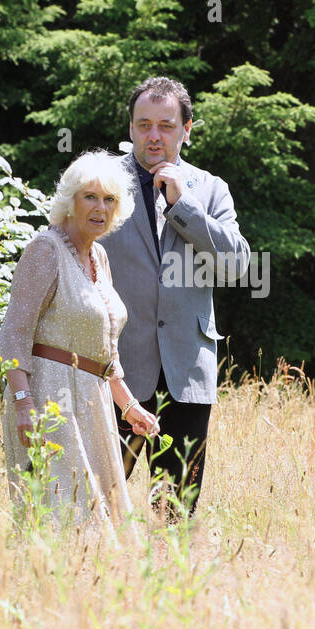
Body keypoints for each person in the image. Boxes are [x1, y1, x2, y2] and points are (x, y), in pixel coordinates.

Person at [99, 76, 250, 520]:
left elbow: (237, 266)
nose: (154, 136)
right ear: (130, 129)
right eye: (143, 124)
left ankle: (168, 584)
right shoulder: (103, 183)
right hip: (114, 369)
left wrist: (184, 204)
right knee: (99, 505)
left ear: (186, 129)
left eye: (166, 125)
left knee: (175, 511)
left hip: (187, 370)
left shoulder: (210, 189)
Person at [0, 151, 159, 541]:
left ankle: (94, 597)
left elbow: (105, 349)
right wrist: (23, 405)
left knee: (100, 517)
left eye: (109, 200)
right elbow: (14, 333)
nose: (100, 208)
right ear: (70, 200)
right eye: (90, 197)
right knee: (65, 515)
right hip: (50, 399)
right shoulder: (45, 250)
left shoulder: (99, 256)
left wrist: (130, 405)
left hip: (94, 401)